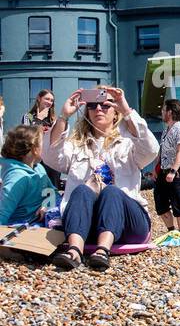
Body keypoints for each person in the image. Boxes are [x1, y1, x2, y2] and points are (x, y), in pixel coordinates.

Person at [43, 86, 159, 270]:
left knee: (112, 191)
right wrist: (64, 116)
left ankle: (102, 251)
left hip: (129, 225)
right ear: (87, 112)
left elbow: (151, 149)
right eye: (92, 105)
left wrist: (126, 110)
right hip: (87, 225)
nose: (98, 109)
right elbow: (50, 155)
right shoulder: (76, 146)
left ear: (115, 113)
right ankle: (74, 251)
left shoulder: (129, 144)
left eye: (105, 105)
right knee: (81, 190)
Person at [0, 125, 57, 226]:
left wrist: (46, 206)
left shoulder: (39, 168)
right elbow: (2, 213)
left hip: (39, 220)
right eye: (43, 141)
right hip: (18, 227)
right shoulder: (17, 178)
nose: (46, 145)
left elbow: (52, 192)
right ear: (35, 149)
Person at [154, 99, 180, 233]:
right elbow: (162, 150)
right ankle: (171, 231)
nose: (162, 113)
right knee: (160, 203)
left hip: (179, 170)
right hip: (164, 169)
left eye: (164, 110)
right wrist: (156, 169)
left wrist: (173, 171)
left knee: (178, 203)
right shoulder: (166, 130)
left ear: (170, 112)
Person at [22, 88, 61, 189]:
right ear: (39, 99)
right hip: (35, 159)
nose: (49, 102)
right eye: (47, 99)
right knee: (37, 188)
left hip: (51, 158)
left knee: (51, 189)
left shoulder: (53, 119)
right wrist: (39, 120)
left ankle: (50, 205)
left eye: (52, 100)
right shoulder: (29, 116)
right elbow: (26, 137)